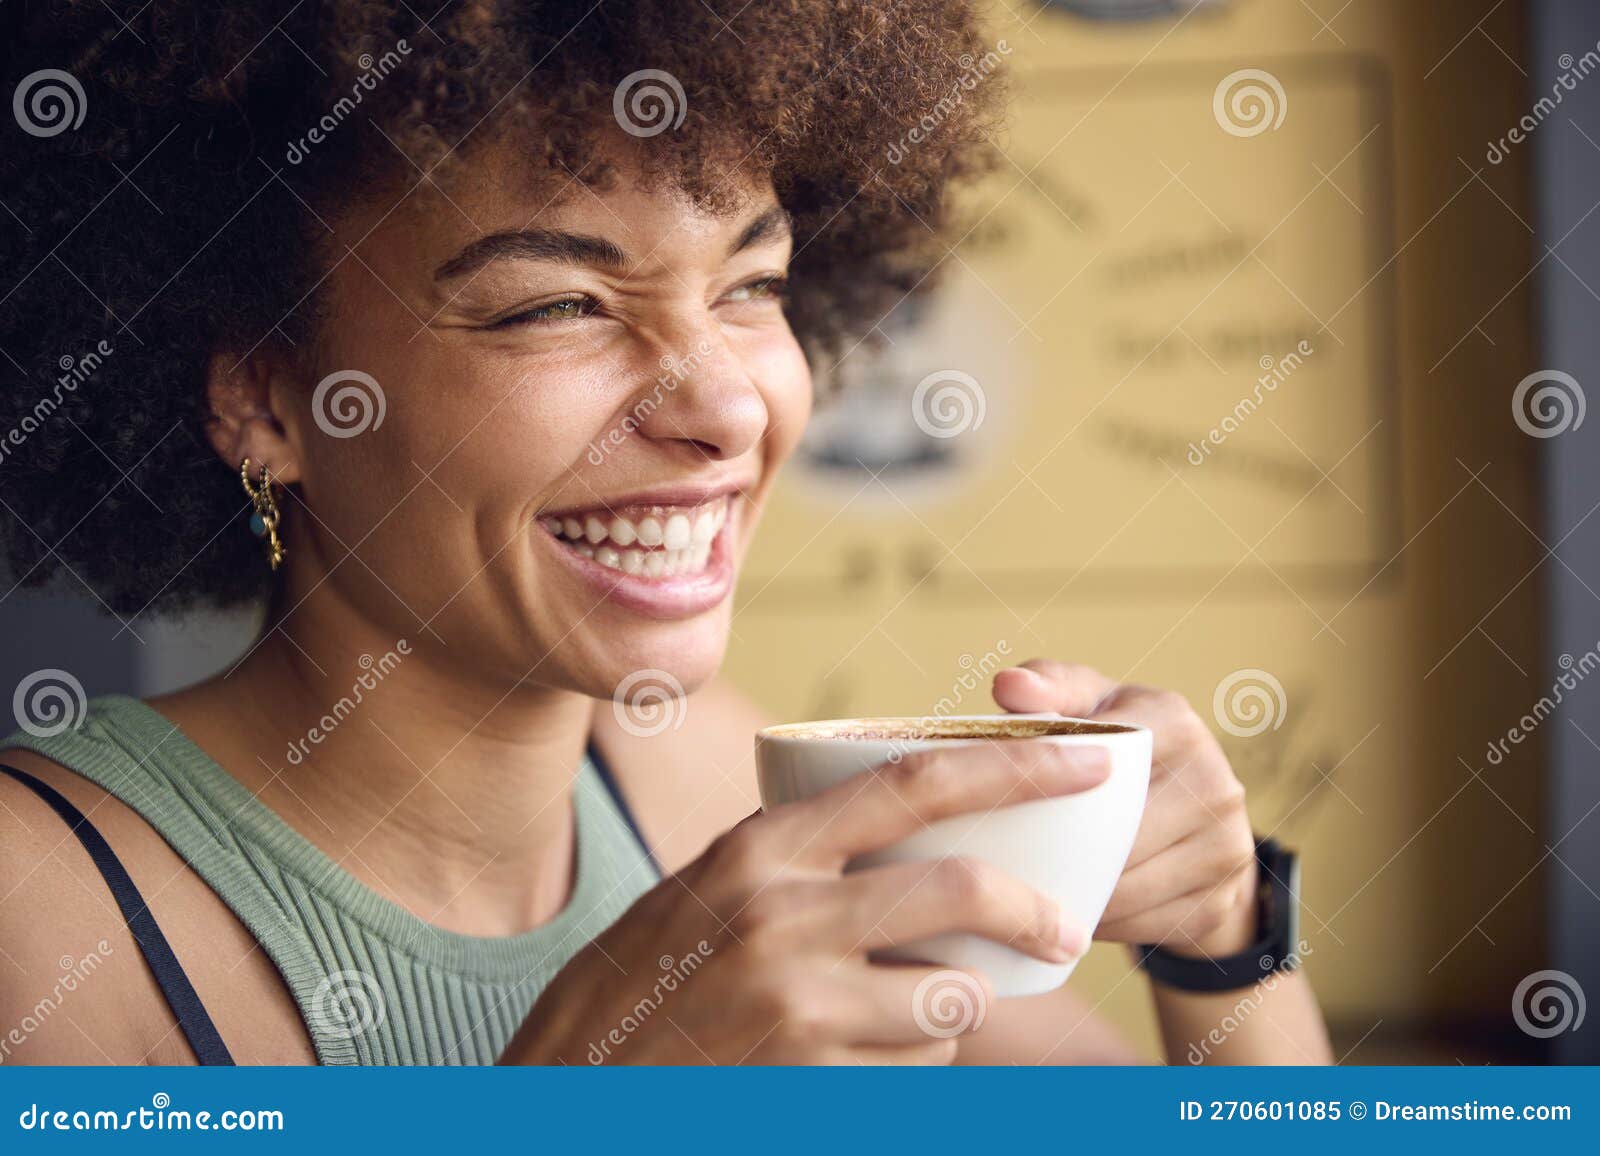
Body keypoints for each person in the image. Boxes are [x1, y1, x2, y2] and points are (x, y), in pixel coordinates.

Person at [0, 0, 1332, 1065]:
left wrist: (1223, 939)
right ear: (264, 399)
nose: (727, 407)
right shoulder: (36, 915)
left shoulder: (691, 780)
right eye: (559, 305)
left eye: (753, 284)